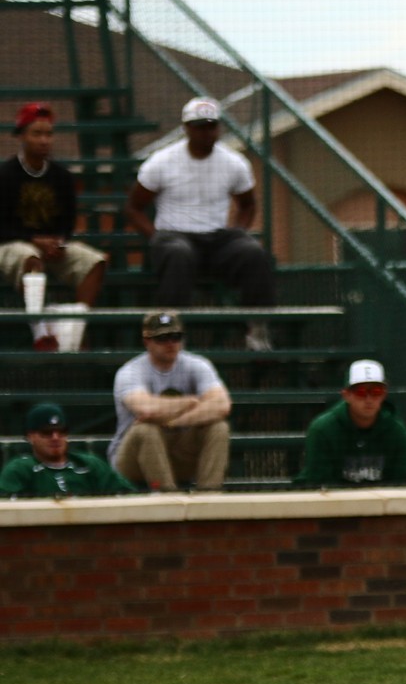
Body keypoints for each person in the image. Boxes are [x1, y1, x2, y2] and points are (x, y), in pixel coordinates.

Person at [123, 96, 276, 351]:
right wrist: (154, 237)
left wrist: (238, 231)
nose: (207, 132)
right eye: (200, 126)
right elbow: (133, 206)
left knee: (253, 252)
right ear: (186, 128)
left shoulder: (234, 163)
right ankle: (172, 332)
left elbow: (248, 204)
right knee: (177, 252)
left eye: (211, 125)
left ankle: (257, 329)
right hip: (174, 234)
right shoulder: (162, 161)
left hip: (217, 239)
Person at [0, 103, 108, 350]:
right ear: (22, 136)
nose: (44, 140)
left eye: (48, 134)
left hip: (51, 244)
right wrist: (34, 239)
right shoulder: (5, 175)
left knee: (94, 261)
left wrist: (59, 242)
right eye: (36, 134)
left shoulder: (62, 176)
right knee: (29, 257)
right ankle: (42, 330)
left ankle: (76, 329)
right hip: (10, 245)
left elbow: (68, 222)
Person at [110, 309, 232, 491]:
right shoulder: (131, 371)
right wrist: (190, 402)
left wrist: (174, 422)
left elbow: (222, 405)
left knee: (219, 428)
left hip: (179, 451)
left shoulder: (197, 364)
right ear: (147, 341)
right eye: (162, 338)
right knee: (145, 429)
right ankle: (168, 498)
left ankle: (209, 499)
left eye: (176, 337)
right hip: (133, 460)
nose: (170, 343)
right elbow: (146, 410)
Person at [293, 359, 406, 487]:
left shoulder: (396, 431)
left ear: (384, 394)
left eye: (376, 392)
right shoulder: (322, 430)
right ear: (346, 395)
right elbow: (317, 484)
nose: (369, 399)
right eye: (361, 392)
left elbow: (401, 484)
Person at [0, 401, 136, 497]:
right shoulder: (20, 469)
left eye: (61, 431)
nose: (55, 437)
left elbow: (127, 495)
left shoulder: (89, 464)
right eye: (47, 433)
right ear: (31, 437)